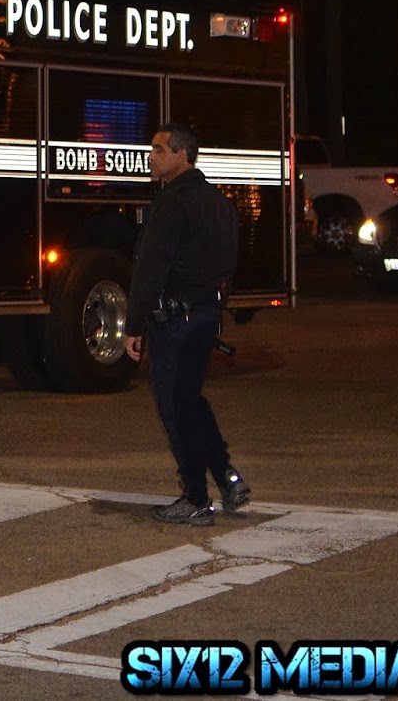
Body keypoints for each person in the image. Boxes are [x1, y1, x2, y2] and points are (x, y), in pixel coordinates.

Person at [124, 121, 252, 526]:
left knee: (176, 408)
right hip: (205, 317)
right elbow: (229, 266)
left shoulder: (170, 203)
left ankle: (196, 497)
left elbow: (151, 268)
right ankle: (227, 478)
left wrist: (134, 325)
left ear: (182, 155)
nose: (151, 157)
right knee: (190, 400)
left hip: (174, 322)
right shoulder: (219, 203)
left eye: (159, 150)